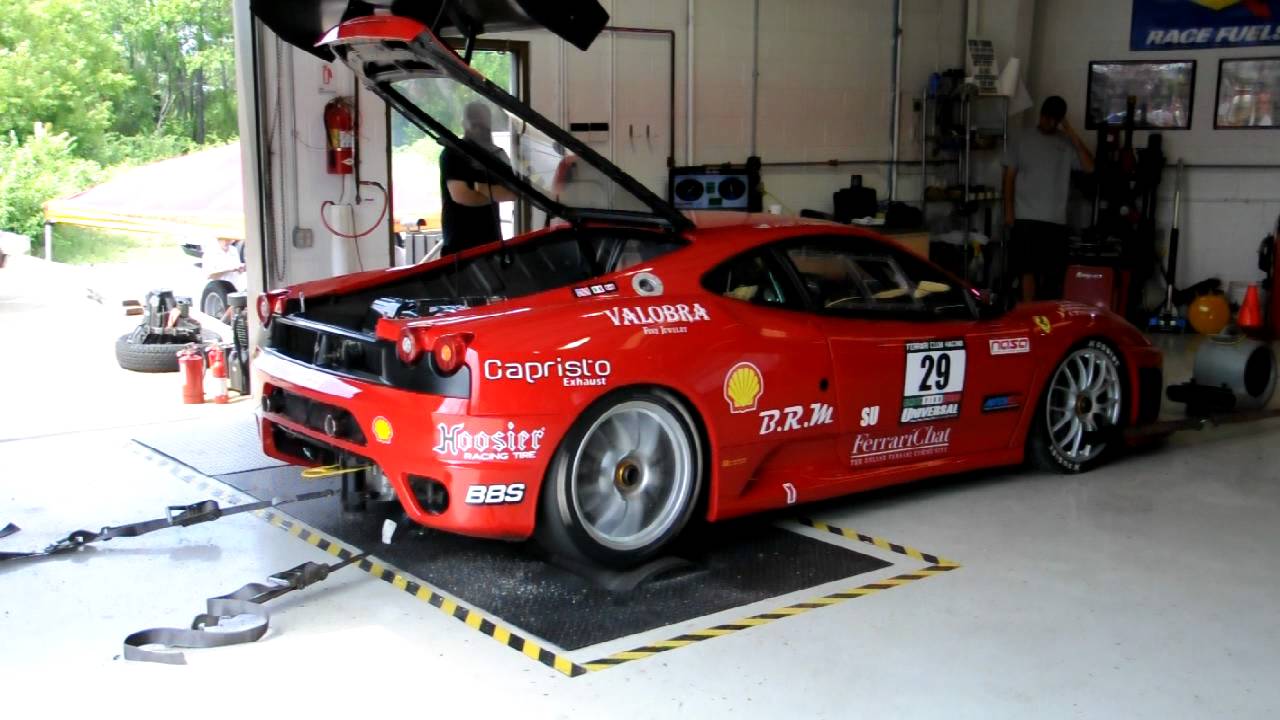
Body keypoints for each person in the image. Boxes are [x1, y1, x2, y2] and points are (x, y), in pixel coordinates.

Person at [1003, 96, 1095, 302]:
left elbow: (1090, 166)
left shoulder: (1065, 142)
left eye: (1055, 120)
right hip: (1025, 215)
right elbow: (1009, 177)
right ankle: (1028, 312)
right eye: (1048, 119)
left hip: (1055, 219)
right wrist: (1008, 211)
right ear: (1041, 115)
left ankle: (1047, 316)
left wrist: (1070, 131)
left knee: (1053, 273)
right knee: (1027, 270)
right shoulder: (1022, 139)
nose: (1050, 124)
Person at [439, 101, 517, 254]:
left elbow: (512, 193)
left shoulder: (497, 155)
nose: (480, 128)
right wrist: (494, 193)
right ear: (464, 124)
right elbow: (462, 196)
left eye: (483, 124)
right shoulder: (452, 153)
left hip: (491, 241)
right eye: (475, 124)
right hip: (459, 245)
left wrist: (480, 188)